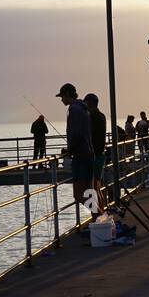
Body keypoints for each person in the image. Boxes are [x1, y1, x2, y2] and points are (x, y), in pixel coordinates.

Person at [56, 83, 93, 211]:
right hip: (88, 154)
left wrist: (70, 149)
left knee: (78, 194)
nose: (61, 100)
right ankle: (99, 219)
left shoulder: (74, 109)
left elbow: (76, 134)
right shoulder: (83, 108)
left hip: (80, 156)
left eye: (62, 97)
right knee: (89, 192)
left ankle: (99, 215)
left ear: (67, 95)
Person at [84, 93, 108, 215]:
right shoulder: (102, 116)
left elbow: (89, 134)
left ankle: (97, 216)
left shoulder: (92, 117)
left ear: (89, 103)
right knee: (97, 187)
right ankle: (102, 213)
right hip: (101, 154)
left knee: (92, 188)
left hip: (94, 155)